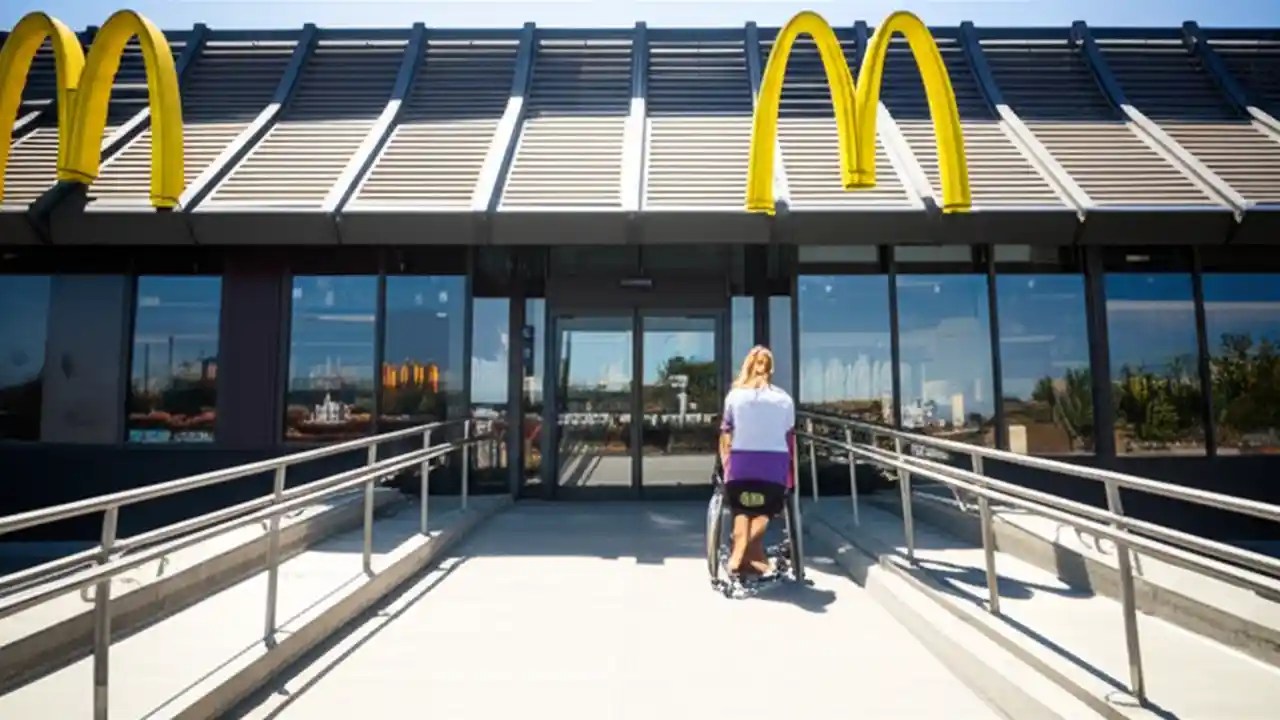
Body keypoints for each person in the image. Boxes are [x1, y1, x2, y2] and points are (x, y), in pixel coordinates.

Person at [718, 345, 795, 582]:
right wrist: (790, 476)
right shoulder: (784, 400)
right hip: (773, 465)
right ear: (771, 370)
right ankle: (752, 549)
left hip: (742, 464)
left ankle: (741, 547)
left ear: (747, 366)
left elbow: (725, 434)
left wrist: (726, 466)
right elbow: (788, 437)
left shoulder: (734, 397)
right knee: (765, 507)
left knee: (741, 507)